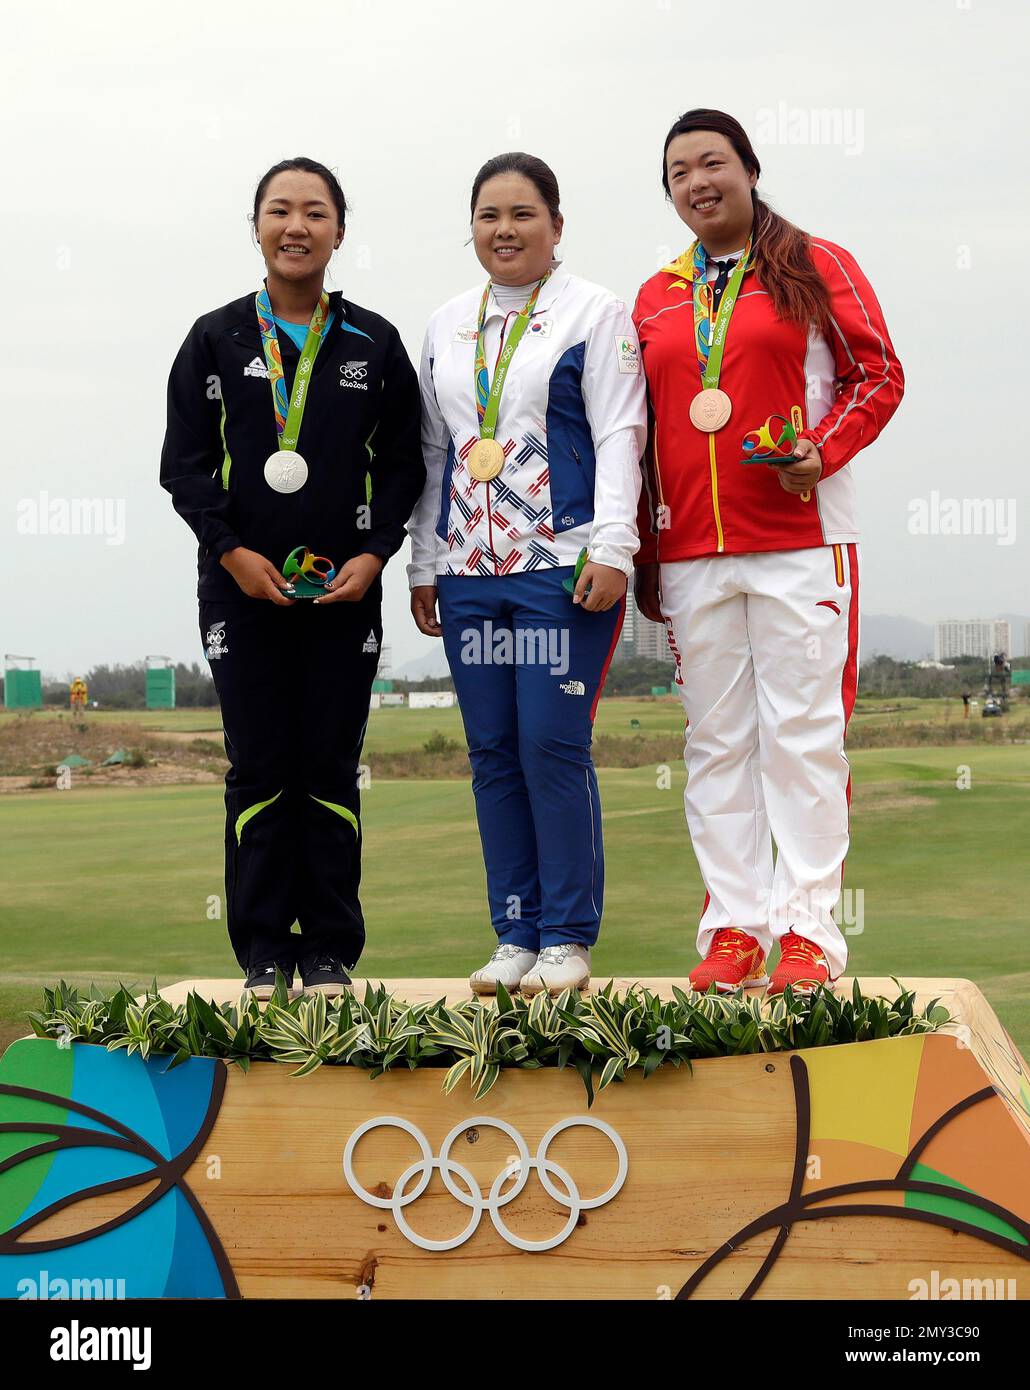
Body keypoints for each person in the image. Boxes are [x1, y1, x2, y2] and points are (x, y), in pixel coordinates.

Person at [633, 110, 904, 995]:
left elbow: (880, 375)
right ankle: (735, 926)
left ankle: (809, 932)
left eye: (712, 162)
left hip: (800, 538)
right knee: (716, 743)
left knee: (803, 739)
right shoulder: (656, 294)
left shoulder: (814, 264)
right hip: (692, 550)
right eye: (678, 171)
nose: (696, 181)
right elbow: (638, 433)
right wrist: (642, 550)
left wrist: (822, 451)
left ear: (750, 168)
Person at [160, 156, 423, 1000]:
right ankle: (265, 951)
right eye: (280, 210)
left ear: (340, 231)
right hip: (240, 590)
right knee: (259, 764)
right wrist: (233, 553)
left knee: (329, 765)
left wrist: (375, 554)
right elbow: (186, 468)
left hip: (346, 590)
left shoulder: (373, 342)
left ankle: (332, 950)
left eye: (315, 211)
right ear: (257, 227)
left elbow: (405, 467)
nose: (296, 226)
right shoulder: (215, 337)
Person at [408, 153, 646, 996]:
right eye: (487, 216)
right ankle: (514, 932)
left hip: (561, 565)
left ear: (555, 223)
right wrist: (425, 561)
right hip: (472, 571)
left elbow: (620, 432)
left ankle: (566, 940)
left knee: (550, 745)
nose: (504, 230)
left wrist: (615, 547)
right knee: (493, 752)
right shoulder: (445, 324)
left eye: (521, 214)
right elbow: (434, 451)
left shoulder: (597, 312)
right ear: (471, 227)